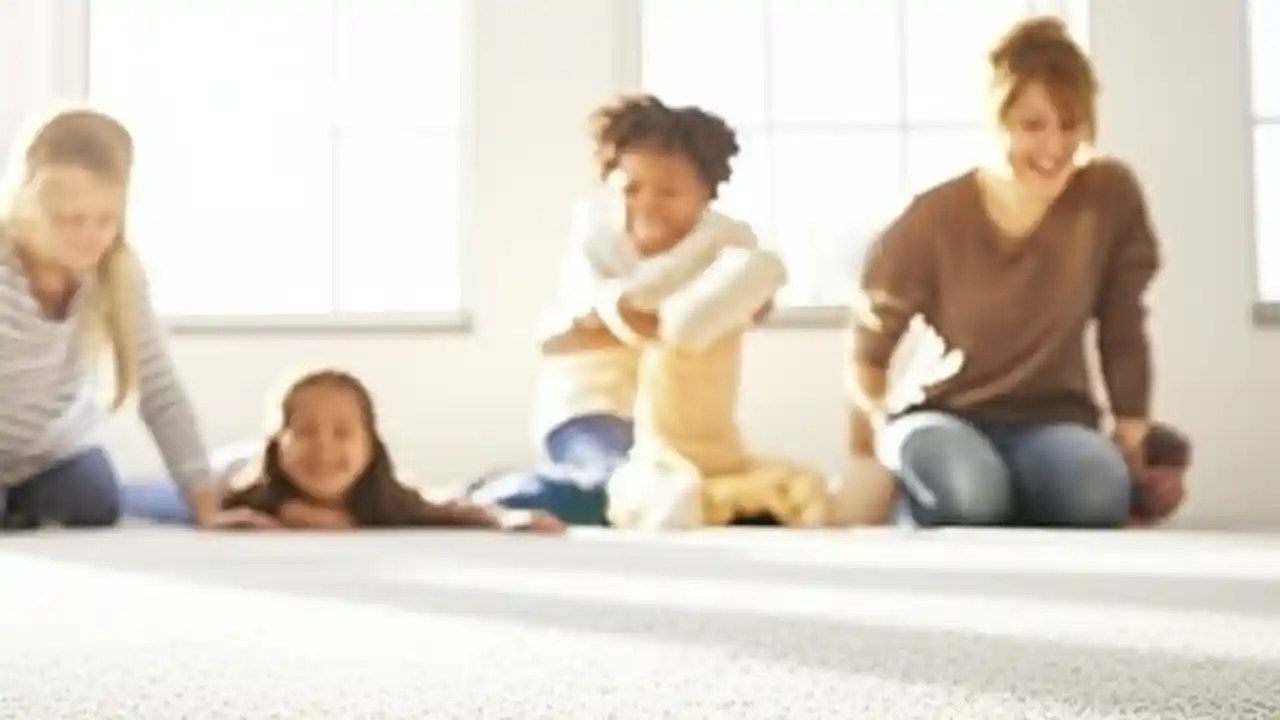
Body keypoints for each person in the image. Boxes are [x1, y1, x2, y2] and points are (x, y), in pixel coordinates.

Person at [847, 17, 1180, 528]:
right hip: (942, 415)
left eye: (1070, 125)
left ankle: (1009, 496)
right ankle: (933, 499)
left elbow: (1122, 323)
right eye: (1032, 125)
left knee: (1095, 492)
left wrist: (1130, 435)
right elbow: (870, 348)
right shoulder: (933, 218)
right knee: (967, 493)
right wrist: (869, 442)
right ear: (995, 121)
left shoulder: (1108, 197)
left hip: (1051, 422)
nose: (1054, 148)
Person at [472, 94, 829, 529]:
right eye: (631, 189)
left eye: (670, 192)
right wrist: (653, 323)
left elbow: (755, 302)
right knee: (614, 484)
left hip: (681, 420)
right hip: (595, 409)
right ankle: (492, 495)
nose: (647, 205)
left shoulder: (727, 243)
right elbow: (560, 336)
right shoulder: (598, 237)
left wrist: (729, 304)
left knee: (722, 491)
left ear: (706, 194)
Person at [0, 108, 235, 529]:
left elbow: (160, 390)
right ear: (25, 205)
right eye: (69, 220)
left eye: (105, 220)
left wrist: (206, 503)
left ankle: (22, 509)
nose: (88, 236)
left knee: (96, 496)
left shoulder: (115, 273)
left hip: (46, 457)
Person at [127, 368, 565, 532]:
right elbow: (210, 508)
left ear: (371, 445)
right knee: (132, 499)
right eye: (305, 432)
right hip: (229, 466)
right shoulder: (245, 491)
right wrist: (285, 514)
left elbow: (447, 510)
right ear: (279, 444)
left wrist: (509, 518)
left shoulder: (383, 497)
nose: (324, 449)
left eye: (342, 433)